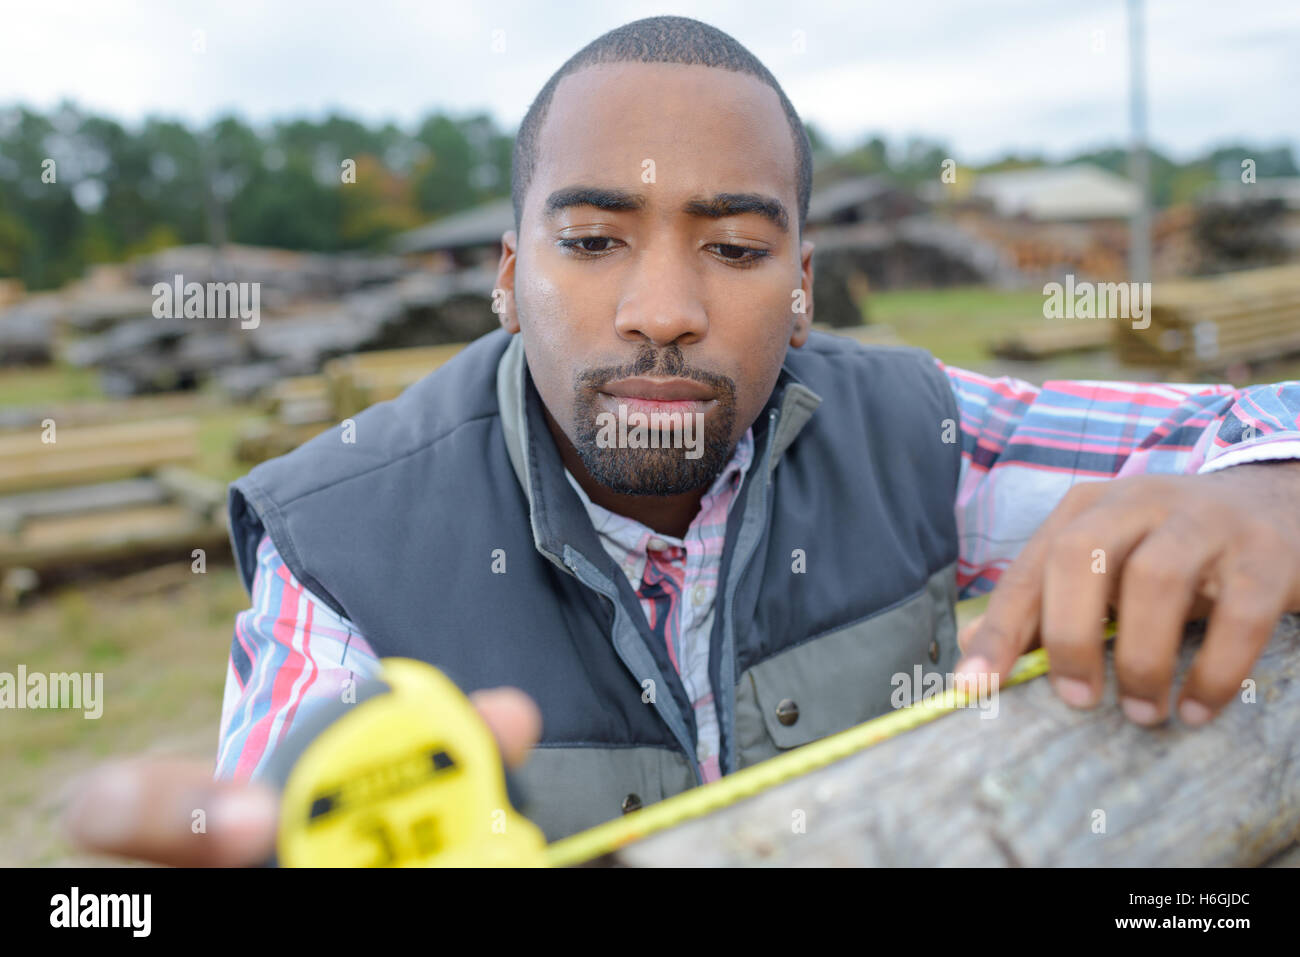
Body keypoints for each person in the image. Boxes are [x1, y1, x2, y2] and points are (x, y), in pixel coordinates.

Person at [70, 14, 1300, 863]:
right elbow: (283, 795)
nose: (661, 309)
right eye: (591, 241)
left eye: (735, 247)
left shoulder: (913, 433)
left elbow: (1243, 429)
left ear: (803, 288)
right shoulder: (340, 544)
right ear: (508, 276)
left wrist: (1268, 485)